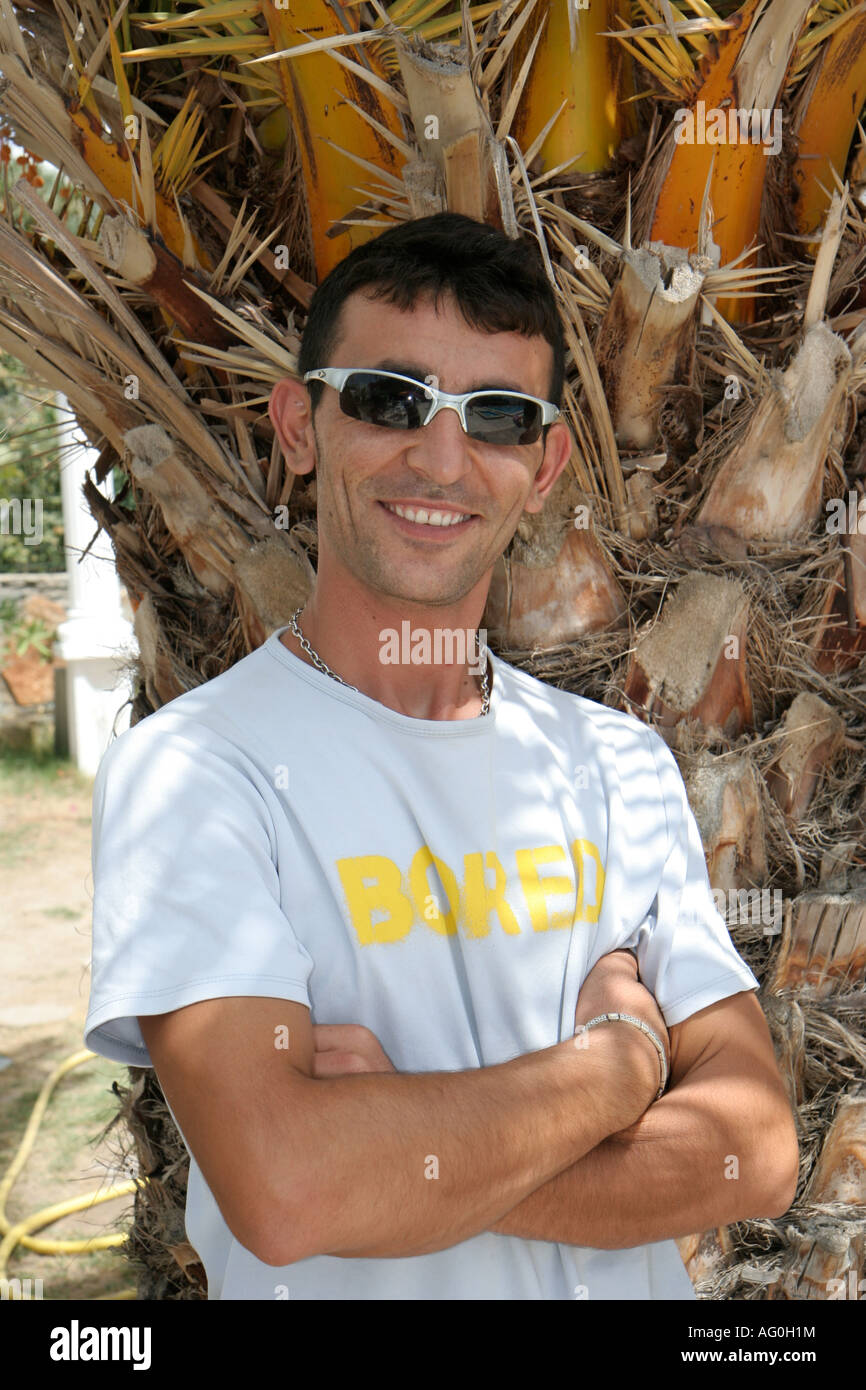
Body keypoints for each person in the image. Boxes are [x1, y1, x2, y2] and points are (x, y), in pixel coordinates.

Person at [84, 211, 798, 1300]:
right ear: (297, 424)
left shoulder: (616, 766)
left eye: (497, 416)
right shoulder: (196, 772)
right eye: (388, 399)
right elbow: (286, 1190)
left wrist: (403, 1150)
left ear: (545, 463)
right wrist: (621, 1066)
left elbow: (754, 1153)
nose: (441, 455)